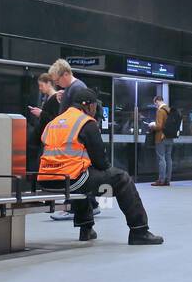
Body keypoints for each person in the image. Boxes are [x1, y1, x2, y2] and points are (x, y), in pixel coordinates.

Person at [36, 86, 162, 245]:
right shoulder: (85, 122)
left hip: (46, 180)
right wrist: (106, 169)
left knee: (81, 173)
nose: (96, 110)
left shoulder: (53, 123)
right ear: (88, 105)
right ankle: (140, 230)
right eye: (95, 106)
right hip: (71, 180)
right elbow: (101, 162)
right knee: (122, 179)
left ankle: (86, 229)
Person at [24, 73, 57, 187]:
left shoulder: (55, 99)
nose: (40, 88)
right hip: (41, 135)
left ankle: (36, 183)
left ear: (49, 83)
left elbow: (55, 120)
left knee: (36, 160)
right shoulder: (48, 99)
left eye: (41, 85)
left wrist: (41, 113)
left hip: (45, 137)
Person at [149, 95, 179, 186]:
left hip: (160, 138)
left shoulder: (160, 111)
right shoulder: (170, 110)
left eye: (155, 104)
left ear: (157, 101)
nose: (156, 106)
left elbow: (159, 126)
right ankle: (167, 180)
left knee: (161, 158)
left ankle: (161, 180)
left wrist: (151, 125)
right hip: (170, 137)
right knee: (168, 158)